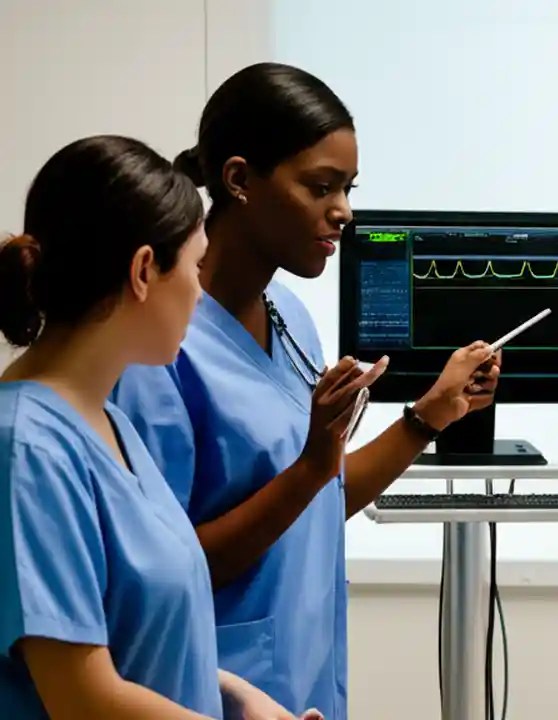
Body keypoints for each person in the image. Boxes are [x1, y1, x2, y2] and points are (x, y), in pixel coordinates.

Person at [109, 63, 498, 719]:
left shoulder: (290, 316)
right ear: (238, 180)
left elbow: (319, 497)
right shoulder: (159, 349)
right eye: (321, 187)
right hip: (211, 690)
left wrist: (430, 415)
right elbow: (164, 570)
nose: (344, 211)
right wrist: (312, 467)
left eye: (347, 188)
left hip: (306, 681)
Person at [0, 136, 320, 719]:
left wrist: (235, 694)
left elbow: (137, 637)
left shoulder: (111, 424)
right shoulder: (26, 449)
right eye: (195, 266)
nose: (200, 291)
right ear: (144, 271)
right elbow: (82, 697)